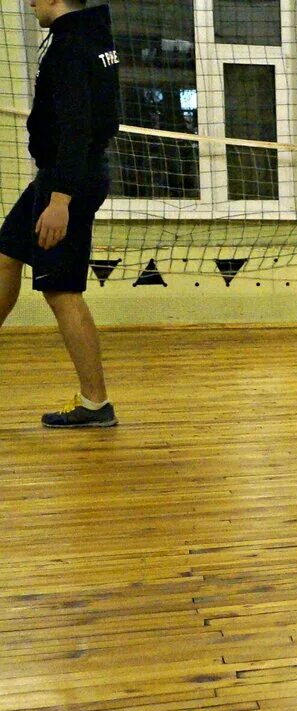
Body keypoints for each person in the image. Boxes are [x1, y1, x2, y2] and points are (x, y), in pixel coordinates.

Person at [0, 0, 120, 427]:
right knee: (6, 250)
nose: (29, 2)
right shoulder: (93, 34)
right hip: (64, 174)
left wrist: (60, 199)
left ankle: (95, 403)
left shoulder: (71, 46)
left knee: (61, 290)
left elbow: (75, 126)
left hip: (67, 180)